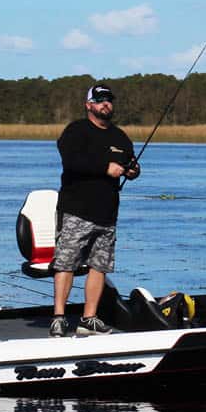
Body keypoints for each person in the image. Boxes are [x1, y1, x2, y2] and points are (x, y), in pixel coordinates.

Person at [51, 82, 139, 336]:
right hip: (76, 210)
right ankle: (58, 317)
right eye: (100, 100)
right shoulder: (76, 131)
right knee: (66, 263)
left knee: (99, 266)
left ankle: (89, 318)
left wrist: (133, 171)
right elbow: (71, 161)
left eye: (108, 100)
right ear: (88, 105)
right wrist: (105, 168)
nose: (105, 104)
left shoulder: (120, 137)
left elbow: (130, 163)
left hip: (107, 214)